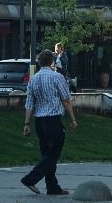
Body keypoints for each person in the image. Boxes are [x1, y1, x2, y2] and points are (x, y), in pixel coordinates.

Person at [20, 49, 77, 196]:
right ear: (52, 61)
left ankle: (52, 187)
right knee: (53, 154)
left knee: (46, 154)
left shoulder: (34, 79)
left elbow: (30, 103)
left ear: (39, 62)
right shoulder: (57, 77)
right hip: (53, 120)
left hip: (40, 121)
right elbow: (66, 99)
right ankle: (30, 179)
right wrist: (72, 119)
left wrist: (27, 124)